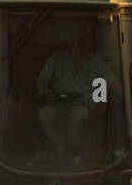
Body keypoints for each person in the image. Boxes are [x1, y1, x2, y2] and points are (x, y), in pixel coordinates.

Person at [36, 31, 112, 162]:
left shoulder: (96, 63)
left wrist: (103, 107)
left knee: (76, 113)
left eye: (85, 42)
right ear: (70, 43)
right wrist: (45, 93)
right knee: (45, 113)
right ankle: (61, 146)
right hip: (58, 104)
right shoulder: (56, 59)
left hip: (85, 106)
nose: (82, 46)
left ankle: (65, 149)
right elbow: (42, 79)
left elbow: (113, 86)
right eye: (78, 41)